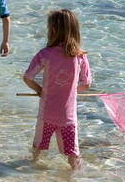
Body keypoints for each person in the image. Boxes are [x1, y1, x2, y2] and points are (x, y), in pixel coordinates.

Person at [23, 9, 92, 170]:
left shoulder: (45, 54)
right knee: (73, 154)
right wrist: (73, 91)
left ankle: (32, 173)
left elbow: (28, 77)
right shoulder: (80, 56)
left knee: (38, 147)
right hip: (68, 117)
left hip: (47, 114)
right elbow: (86, 83)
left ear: (52, 30)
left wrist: (39, 89)